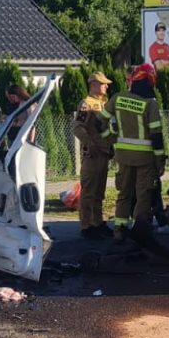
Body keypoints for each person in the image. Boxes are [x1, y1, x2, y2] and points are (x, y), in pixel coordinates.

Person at [109, 63, 165, 244]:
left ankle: (119, 229)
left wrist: (110, 139)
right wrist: (160, 159)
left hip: (123, 157)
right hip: (145, 159)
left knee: (124, 193)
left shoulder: (118, 98)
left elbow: (101, 121)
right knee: (143, 195)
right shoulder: (151, 103)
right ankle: (140, 230)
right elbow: (156, 135)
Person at [72, 71, 115, 239]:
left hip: (104, 153)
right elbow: (78, 127)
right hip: (92, 154)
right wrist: (90, 144)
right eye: (103, 84)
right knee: (89, 192)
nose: (106, 86)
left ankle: (97, 223)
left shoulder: (104, 103)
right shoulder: (86, 104)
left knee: (99, 192)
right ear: (94, 85)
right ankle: (86, 226)